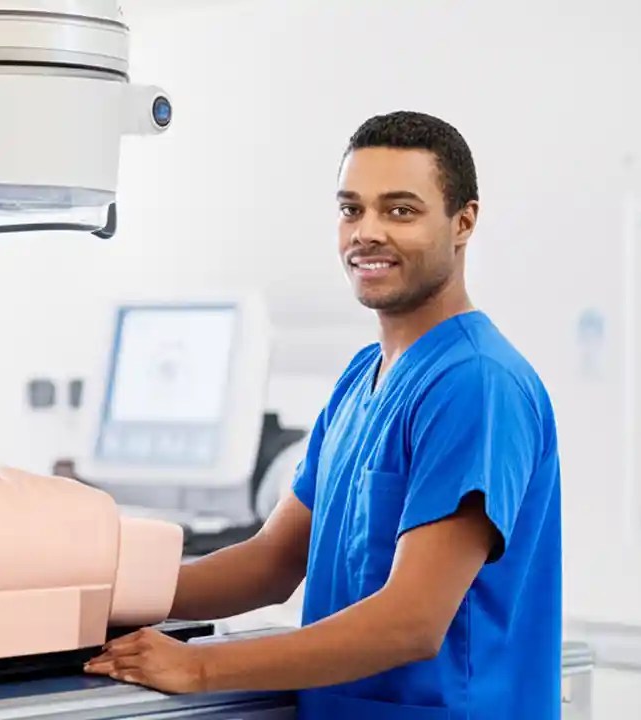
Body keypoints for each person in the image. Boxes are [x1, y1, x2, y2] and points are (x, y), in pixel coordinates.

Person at [84, 110, 562, 720]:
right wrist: (96, 597)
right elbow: (273, 562)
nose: (367, 232)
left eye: (400, 211)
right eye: (350, 209)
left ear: (463, 221)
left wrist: (198, 666)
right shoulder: (362, 377)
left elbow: (411, 622)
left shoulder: (477, 384)